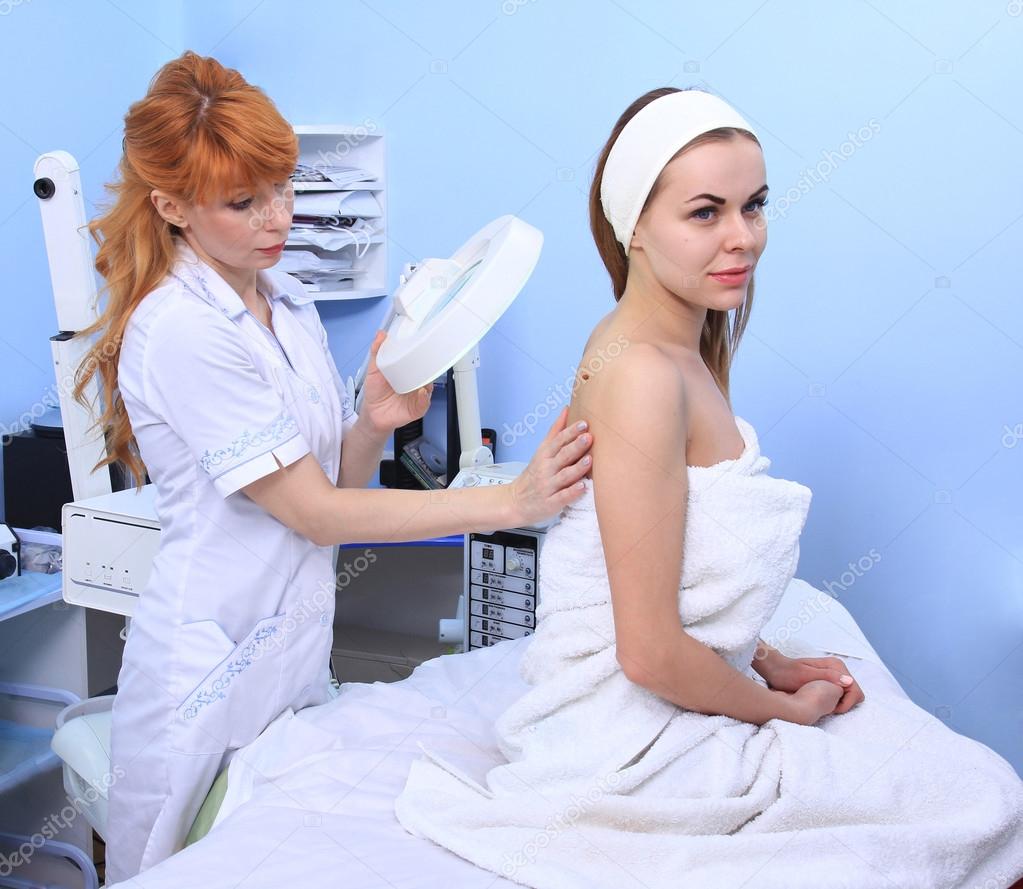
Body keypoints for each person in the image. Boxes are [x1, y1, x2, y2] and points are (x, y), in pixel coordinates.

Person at [394, 88, 1023, 887]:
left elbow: (680, 567)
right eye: (704, 213)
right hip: (624, 740)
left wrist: (766, 659)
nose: (742, 238)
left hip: (671, 681)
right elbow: (649, 649)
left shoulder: (682, 340)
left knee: (943, 764)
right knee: (981, 803)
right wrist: (782, 710)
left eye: (753, 206)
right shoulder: (643, 376)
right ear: (635, 229)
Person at [74, 51, 593, 883]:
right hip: (204, 671)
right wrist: (508, 497)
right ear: (171, 206)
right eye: (243, 202)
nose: (277, 216)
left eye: (280, 186)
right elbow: (315, 515)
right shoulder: (181, 329)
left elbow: (331, 488)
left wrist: (371, 422)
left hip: (290, 657)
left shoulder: (285, 302)